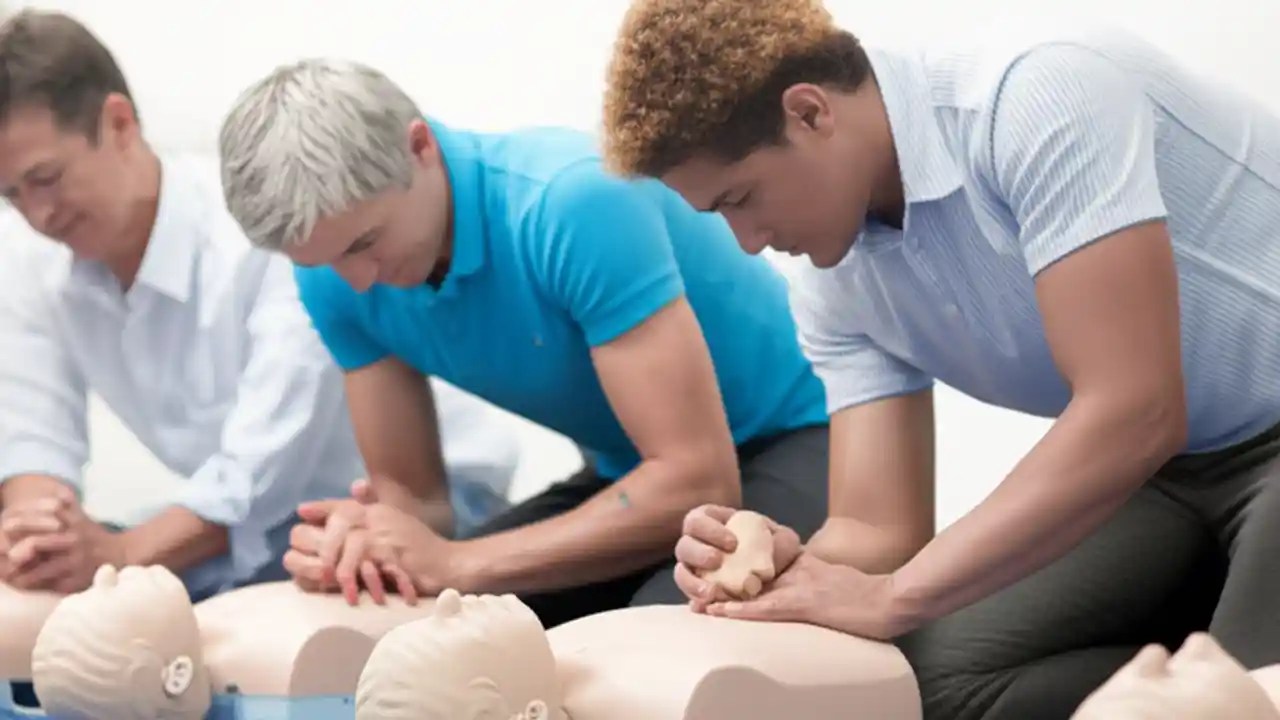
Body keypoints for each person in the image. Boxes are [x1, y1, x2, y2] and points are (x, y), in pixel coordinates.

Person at [600, 0, 1280, 718]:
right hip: (1173, 474)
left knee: (1219, 703)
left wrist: (895, 596)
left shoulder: (1036, 91)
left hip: (1204, 440)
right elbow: (877, 530)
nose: (746, 241)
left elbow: (1136, 411)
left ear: (809, 113)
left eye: (741, 198)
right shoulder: (834, 284)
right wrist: (783, 566)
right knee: (926, 684)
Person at [214, 57, 831, 629]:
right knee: (432, 631)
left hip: (799, 436)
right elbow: (420, 500)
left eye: (363, 242)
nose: (358, 281)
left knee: (653, 642)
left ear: (420, 147)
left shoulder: (571, 201)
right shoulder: (330, 277)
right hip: (638, 473)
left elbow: (697, 482)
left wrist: (456, 563)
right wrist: (371, 537)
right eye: (321, 261)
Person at [0, 9, 521, 607]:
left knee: (239, 634)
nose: (37, 214)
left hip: (434, 502)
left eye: (45, 178)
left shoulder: (265, 229)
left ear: (118, 123)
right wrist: (38, 538)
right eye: (10, 193)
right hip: (247, 524)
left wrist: (119, 554)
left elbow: (260, 471)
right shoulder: (25, 255)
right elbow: (33, 436)